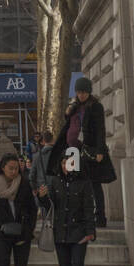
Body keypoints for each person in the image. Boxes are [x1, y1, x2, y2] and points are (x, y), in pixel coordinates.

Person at [48, 77, 116, 227]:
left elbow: (100, 130)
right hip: (73, 150)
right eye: (79, 92)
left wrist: (100, 151)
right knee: (74, 183)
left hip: (89, 150)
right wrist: (68, 112)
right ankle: (77, 216)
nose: (81, 95)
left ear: (89, 92)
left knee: (94, 184)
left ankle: (100, 218)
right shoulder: (75, 106)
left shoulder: (95, 106)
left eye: (84, 92)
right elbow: (69, 122)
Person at [38, 148, 96, 266]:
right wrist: (43, 197)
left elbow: (89, 208)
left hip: (79, 233)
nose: (66, 166)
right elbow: (51, 206)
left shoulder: (84, 183)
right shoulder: (55, 181)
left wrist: (90, 232)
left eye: (70, 163)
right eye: (64, 163)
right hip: (60, 233)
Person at [29, 132, 55, 199]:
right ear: (53, 140)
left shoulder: (36, 156)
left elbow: (31, 176)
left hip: (41, 190)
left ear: (43, 140)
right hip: (56, 189)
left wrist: (34, 188)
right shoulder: (58, 154)